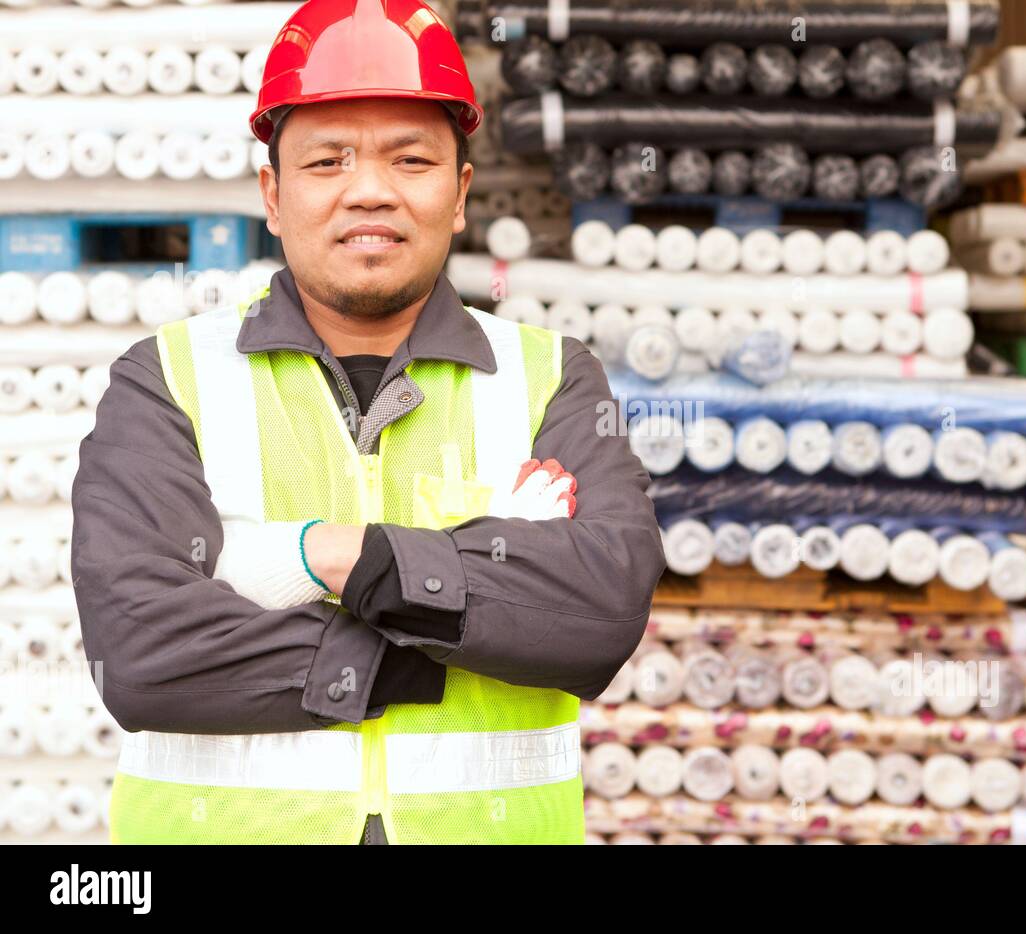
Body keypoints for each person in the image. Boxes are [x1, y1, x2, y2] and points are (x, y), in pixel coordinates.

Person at [70, 0, 666, 844]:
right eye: (328, 160)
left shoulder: (552, 377)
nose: (371, 190)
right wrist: (439, 621)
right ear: (273, 196)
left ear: (460, 194)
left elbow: (598, 614)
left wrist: (321, 554)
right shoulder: (168, 378)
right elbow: (140, 655)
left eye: (411, 158)